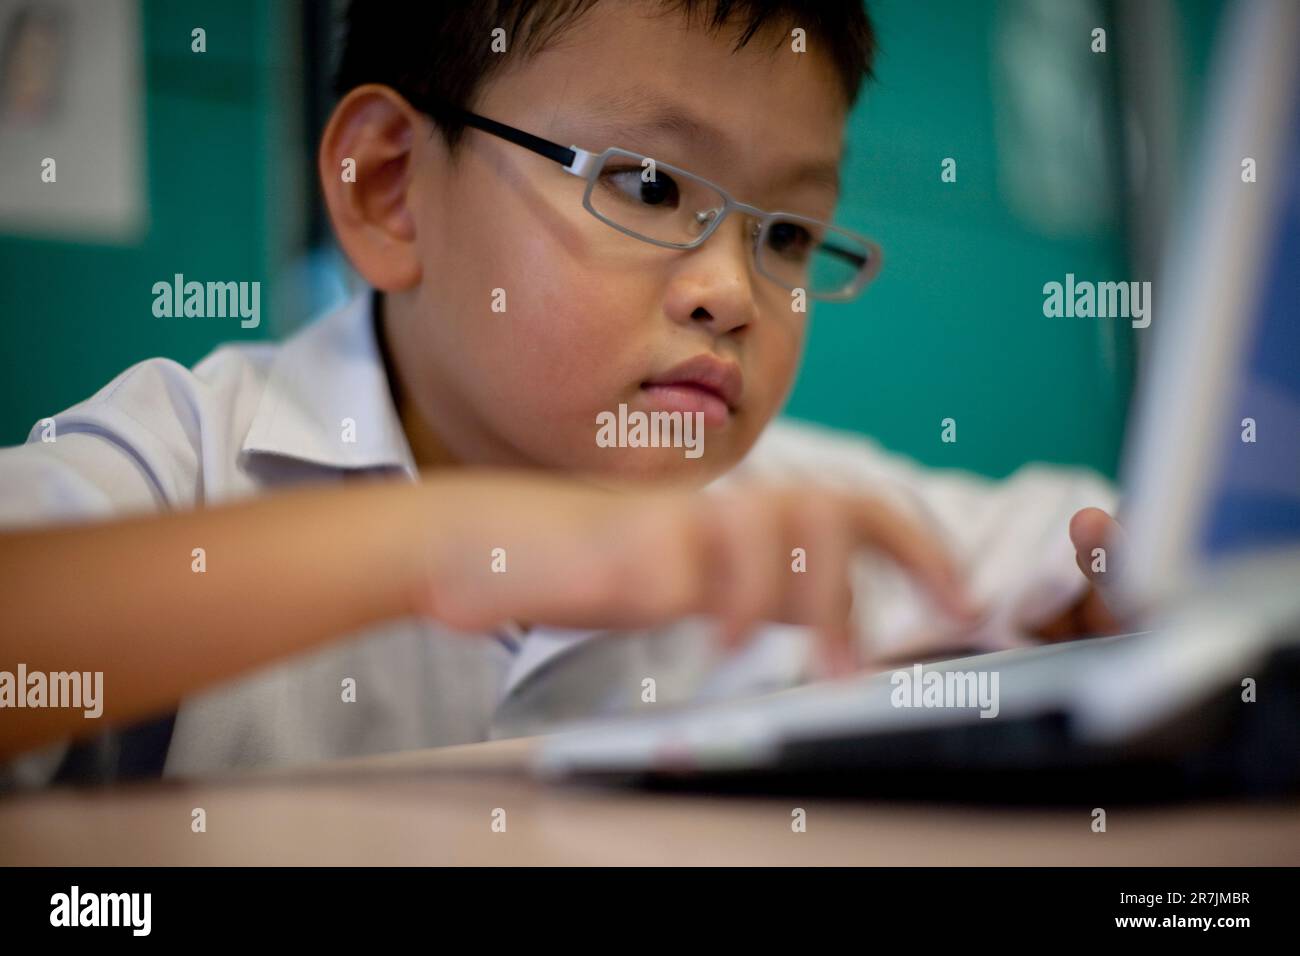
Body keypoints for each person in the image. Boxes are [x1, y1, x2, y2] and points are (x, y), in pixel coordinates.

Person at [0, 0, 1120, 787]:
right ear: (390, 187)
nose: (732, 290)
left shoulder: (790, 517)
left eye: (785, 232)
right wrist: (445, 540)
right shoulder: (191, 457)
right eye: (643, 182)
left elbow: (1087, 542)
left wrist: (1116, 582)